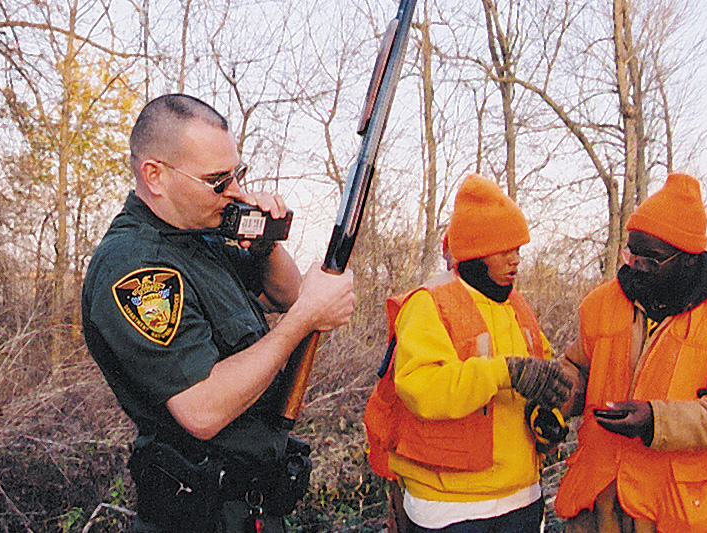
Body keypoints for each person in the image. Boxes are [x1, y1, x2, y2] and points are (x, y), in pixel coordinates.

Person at [81, 94, 355, 533]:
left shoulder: (199, 238)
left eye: (237, 175)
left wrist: (267, 244)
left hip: (249, 509)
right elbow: (202, 411)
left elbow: (285, 294)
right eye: (217, 181)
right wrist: (304, 319)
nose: (235, 193)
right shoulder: (137, 268)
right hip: (196, 515)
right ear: (154, 176)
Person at [365, 173, 572, 533]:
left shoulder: (518, 306)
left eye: (519, 249)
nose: (516, 260)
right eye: (505, 249)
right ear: (476, 252)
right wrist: (504, 373)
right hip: (448, 507)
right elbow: (421, 388)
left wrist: (546, 420)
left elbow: (539, 377)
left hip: (521, 498)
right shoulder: (430, 304)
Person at [554, 172, 707, 533]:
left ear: (689, 259)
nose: (636, 266)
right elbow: (578, 368)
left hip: (674, 513)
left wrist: (656, 421)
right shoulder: (601, 303)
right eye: (632, 253)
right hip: (595, 507)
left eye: (651, 259)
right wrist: (558, 400)